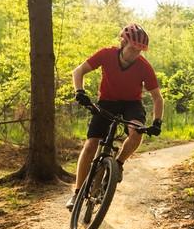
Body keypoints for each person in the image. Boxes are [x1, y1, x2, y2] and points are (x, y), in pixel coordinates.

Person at [66, 23, 163, 209]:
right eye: (132, 49)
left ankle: (118, 163)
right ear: (123, 42)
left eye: (139, 51)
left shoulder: (144, 67)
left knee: (137, 132)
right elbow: (78, 71)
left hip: (131, 104)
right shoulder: (106, 54)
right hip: (107, 102)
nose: (135, 54)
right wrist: (79, 91)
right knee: (91, 143)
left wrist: (157, 122)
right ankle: (77, 192)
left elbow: (157, 98)